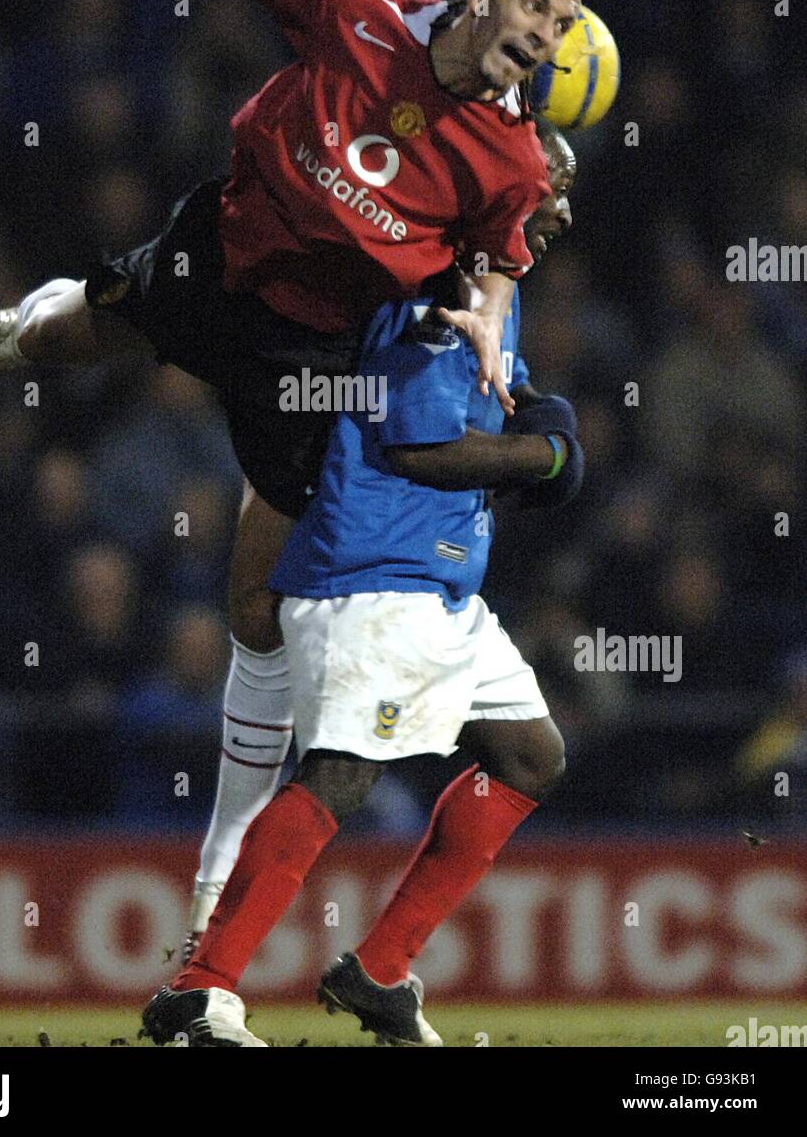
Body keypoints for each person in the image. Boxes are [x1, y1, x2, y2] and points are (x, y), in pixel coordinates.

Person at [0, 0, 584, 680]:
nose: (545, 33)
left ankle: (252, 794)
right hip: (221, 252)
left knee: (258, 599)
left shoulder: (514, 159)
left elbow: (501, 256)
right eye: (535, 6)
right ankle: (16, 328)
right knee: (66, 343)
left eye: (563, 24)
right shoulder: (362, 13)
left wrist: (490, 322)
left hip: (311, 346)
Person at [139, 129, 582, 1047]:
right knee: (339, 775)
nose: (565, 211)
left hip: (442, 584)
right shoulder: (431, 295)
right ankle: (200, 987)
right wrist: (546, 454)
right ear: (503, 193)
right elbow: (418, 447)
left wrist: (541, 426)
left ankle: (377, 975)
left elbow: (502, 413)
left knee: (531, 755)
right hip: (374, 575)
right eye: (554, 188)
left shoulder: (492, 295)